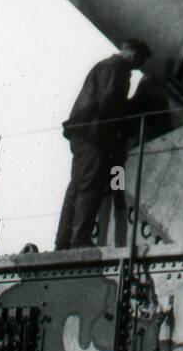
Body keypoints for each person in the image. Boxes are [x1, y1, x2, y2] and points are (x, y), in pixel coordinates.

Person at [54, 39, 151, 250]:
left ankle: (63, 241)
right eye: (140, 60)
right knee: (90, 186)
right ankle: (79, 240)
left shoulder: (107, 67)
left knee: (76, 187)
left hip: (84, 133)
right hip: (95, 134)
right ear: (134, 54)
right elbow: (109, 102)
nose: (138, 65)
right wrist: (129, 114)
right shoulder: (116, 68)